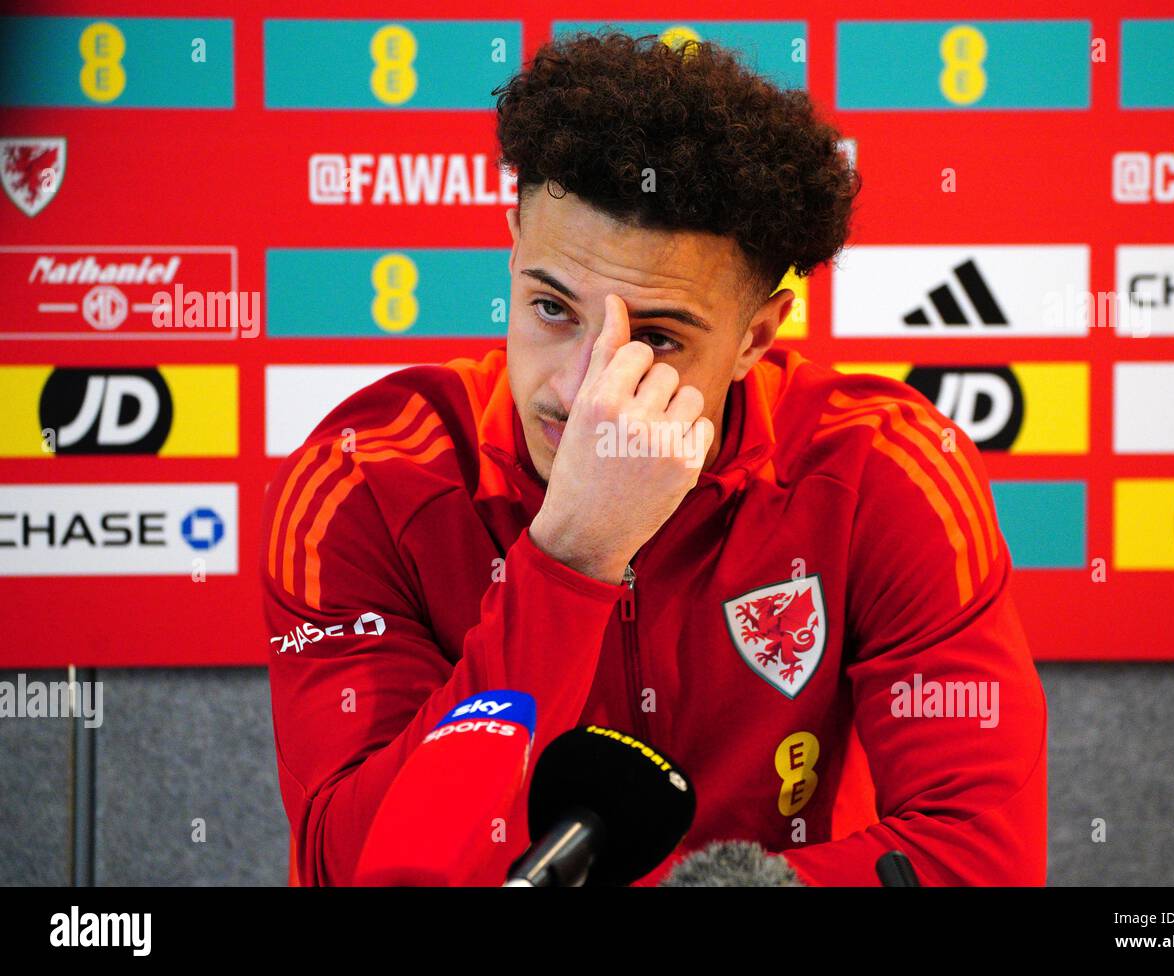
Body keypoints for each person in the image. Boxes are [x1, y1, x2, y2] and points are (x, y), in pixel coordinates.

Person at [263, 30, 1047, 886]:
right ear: (514, 250)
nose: (580, 389)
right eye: (552, 308)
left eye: (659, 337)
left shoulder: (883, 469)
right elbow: (360, 872)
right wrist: (571, 558)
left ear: (755, 338)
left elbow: (979, 861)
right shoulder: (364, 480)